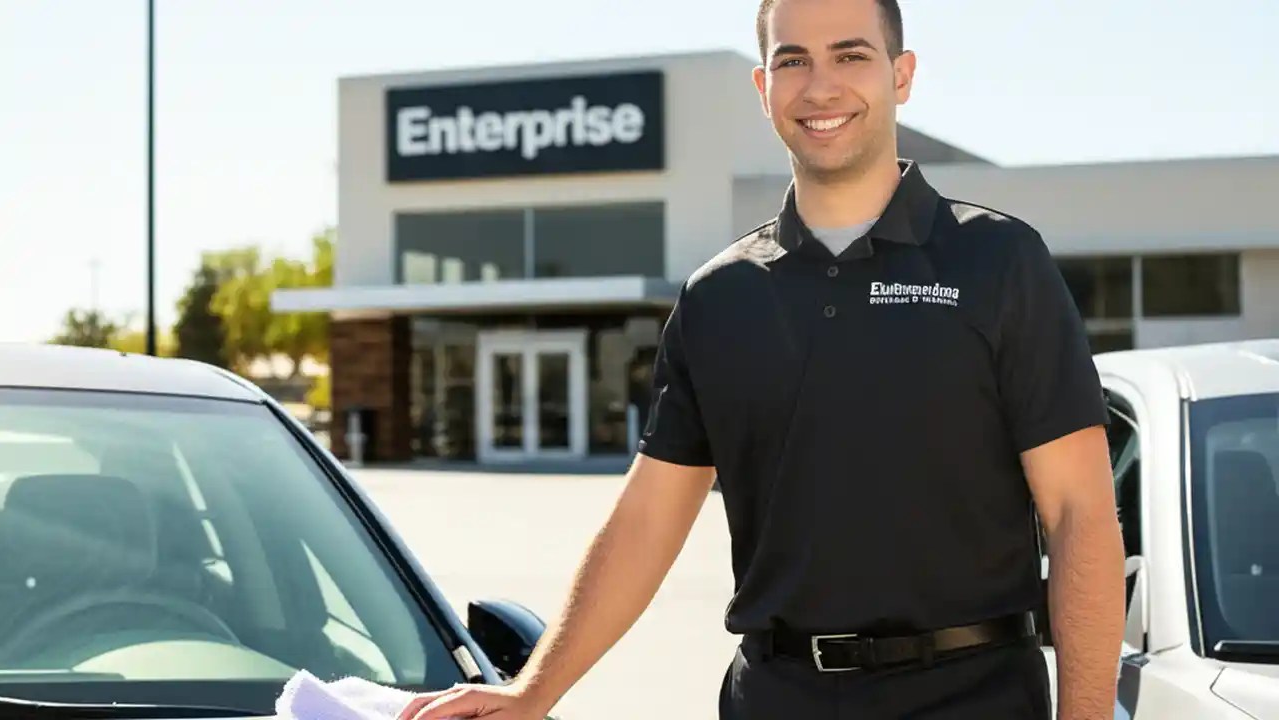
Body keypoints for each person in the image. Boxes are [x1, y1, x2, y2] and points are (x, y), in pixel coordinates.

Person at [399, 0, 1126, 717]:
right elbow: (650, 517)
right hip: (776, 700)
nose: (821, 86)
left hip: (973, 700)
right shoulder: (721, 297)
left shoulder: (999, 263)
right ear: (764, 89)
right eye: (793, 60)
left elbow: (1080, 514)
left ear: (900, 75)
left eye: (850, 55)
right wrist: (535, 691)